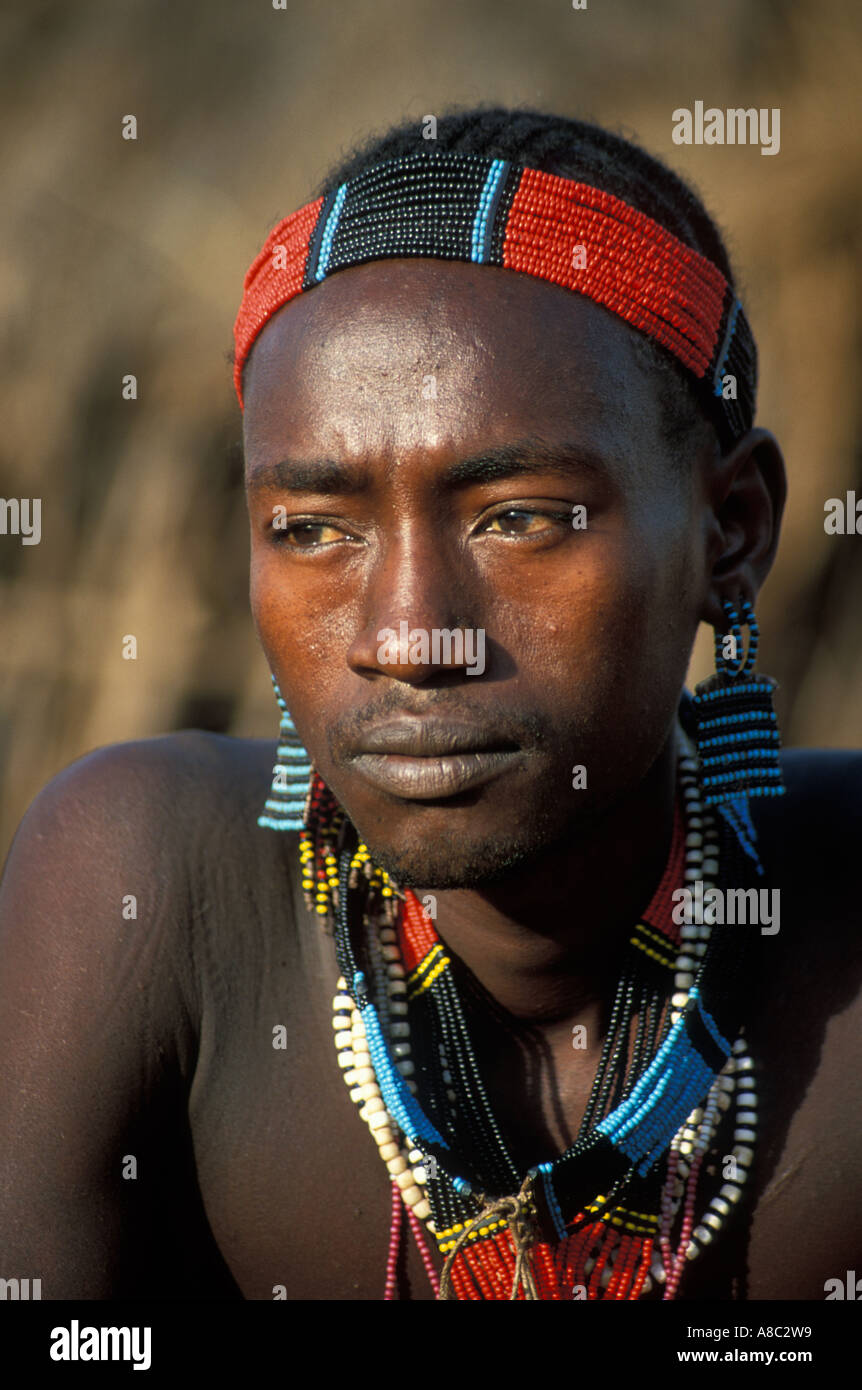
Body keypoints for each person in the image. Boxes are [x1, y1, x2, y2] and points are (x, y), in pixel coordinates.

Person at [1, 107, 860, 1302]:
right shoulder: (151, 893)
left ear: (731, 530)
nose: (407, 636)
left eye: (516, 516)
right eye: (313, 531)